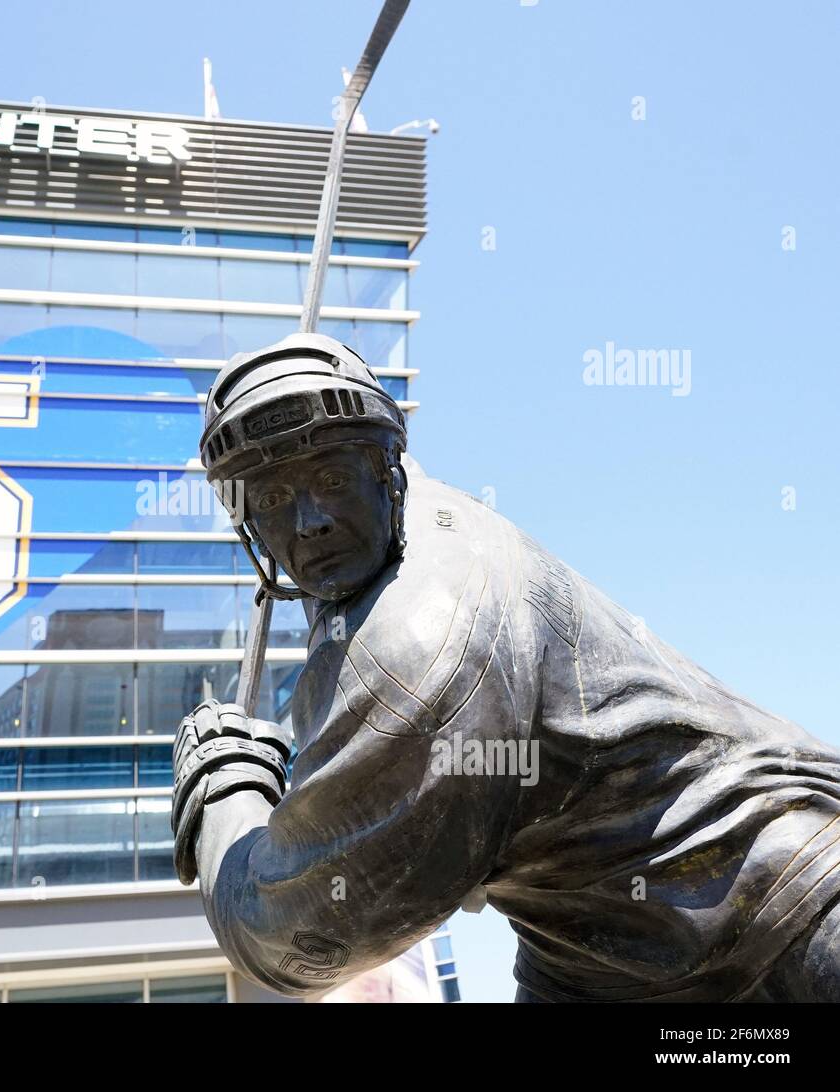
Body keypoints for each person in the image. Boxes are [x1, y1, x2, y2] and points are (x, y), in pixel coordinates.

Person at [172, 332, 840, 1002]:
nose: (310, 521)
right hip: (597, 950)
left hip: (776, 925)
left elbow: (296, 939)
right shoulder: (413, 525)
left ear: (386, 474)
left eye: (333, 479)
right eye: (274, 496)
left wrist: (224, 786)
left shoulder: (410, 643)